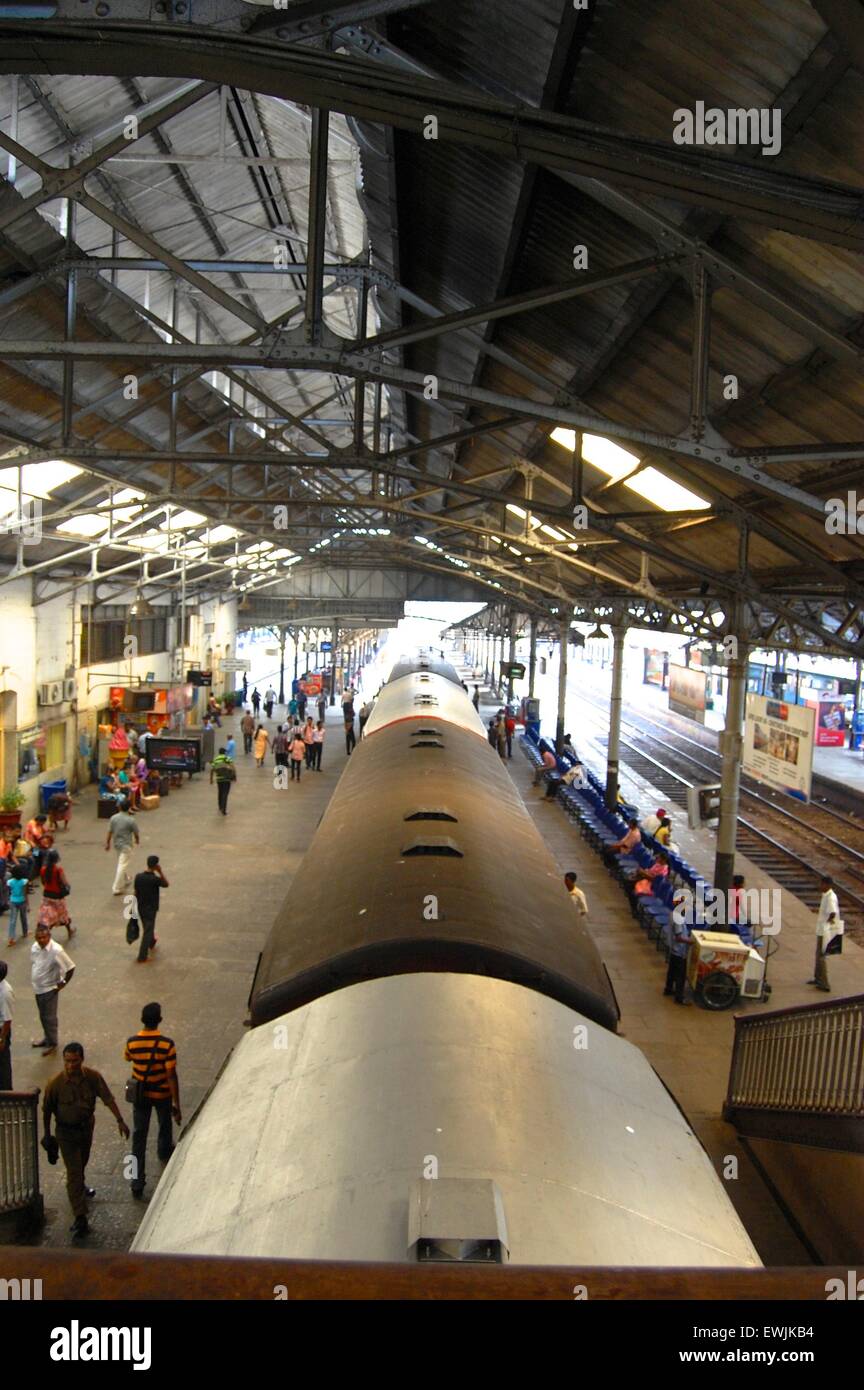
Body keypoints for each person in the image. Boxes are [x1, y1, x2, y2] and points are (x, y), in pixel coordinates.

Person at [43, 1042, 129, 1236]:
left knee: (81, 1164)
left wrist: (120, 1120)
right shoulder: (55, 1084)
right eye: (67, 1061)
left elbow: (108, 1098)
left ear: (81, 1059)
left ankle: (80, 1187)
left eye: (74, 1061)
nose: (70, 1065)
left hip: (85, 1129)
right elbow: (47, 1110)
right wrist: (48, 1135)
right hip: (66, 1133)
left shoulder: (92, 1078)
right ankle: (80, 1216)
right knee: (73, 1172)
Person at [125, 1002, 181, 1201]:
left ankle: (135, 1180)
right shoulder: (167, 1045)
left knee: (138, 1137)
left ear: (142, 1019)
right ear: (159, 1020)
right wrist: (176, 1103)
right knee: (164, 1125)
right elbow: (171, 1074)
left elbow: (127, 1057)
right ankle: (164, 1151)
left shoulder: (132, 1042)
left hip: (140, 1096)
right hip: (162, 1095)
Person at [30, 925, 75, 1056]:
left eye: (44, 937)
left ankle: (52, 1043)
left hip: (49, 989)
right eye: (39, 937)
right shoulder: (35, 947)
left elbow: (70, 967)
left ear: (49, 936)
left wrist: (63, 983)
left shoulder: (56, 950)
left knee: (49, 1017)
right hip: (38, 988)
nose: (41, 940)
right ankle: (47, 1038)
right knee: (42, 1016)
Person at [133, 854, 169, 965]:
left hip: (140, 906)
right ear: (156, 865)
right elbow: (166, 884)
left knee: (147, 926)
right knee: (148, 930)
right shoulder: (154, 879)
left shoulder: (138, 876)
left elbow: (135, 892)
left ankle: (152, 942)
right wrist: (160, 872)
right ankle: (142, 956)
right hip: (151, 908)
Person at [809, 875, 840, 992]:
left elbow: (833, 913)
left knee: (822, 957)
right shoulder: (826, 895)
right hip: (821, 929)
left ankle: (825, 983)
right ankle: (817, 978)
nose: (820, 886)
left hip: (825, 931)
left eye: (822, 884)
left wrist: (827, 924)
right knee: (818, 955)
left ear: (827, 885)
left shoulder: (831, 897)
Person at [105, 800, 139, 896]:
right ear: (129, 808)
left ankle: (126, 878)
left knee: (122, 862)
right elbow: (136, 833)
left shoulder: (113, 818)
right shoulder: (131, 820)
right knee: (122, 865)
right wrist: (137, 840)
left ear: (119, 807)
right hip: (126, 845)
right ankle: (116, 888)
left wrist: (107, 843)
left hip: (117, 844)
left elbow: (109, 832)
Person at [39, 849, 74, 941]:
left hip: (47, 895)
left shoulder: (43, 869)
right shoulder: (58, 870)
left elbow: (43, 882)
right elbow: (65, 882)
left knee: (47, 916)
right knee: (63, 915)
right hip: (57, 895)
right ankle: (69, 931)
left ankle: (46, 934)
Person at [664, 892, 692, 1005]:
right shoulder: (679, 918)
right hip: (679, 950)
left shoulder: (673, 913)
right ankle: (679, 997)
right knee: (681, 975)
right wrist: (691, 942)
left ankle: (668, 989)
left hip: (673, 949)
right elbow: (679, 937)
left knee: (672, 971)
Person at [210, 746, 236, 815]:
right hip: (227, 778)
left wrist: (211, 779)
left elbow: (212, 769)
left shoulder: (216, 759)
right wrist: (234, 776)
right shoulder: (226, 758)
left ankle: (220, 806)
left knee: (220, 792)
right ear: (224, 752)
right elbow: (232, 766)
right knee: (225, 793)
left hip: (219, 779)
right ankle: (224, 810)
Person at [7, 864, 29, 946]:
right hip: (22, 901)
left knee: (12, 920)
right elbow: (25, 893)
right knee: (23, 917)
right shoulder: (24, 881)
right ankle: (25, 932)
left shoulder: (10, 882)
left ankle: (11, 938)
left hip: (13, 901)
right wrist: (28, 904)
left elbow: (10, 891)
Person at [0, 960, 13, 1090]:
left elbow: (7, 1019)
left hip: (1, 1030)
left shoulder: (5, 993)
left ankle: (5, 1091)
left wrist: (2, 1039)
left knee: (2, 1063)